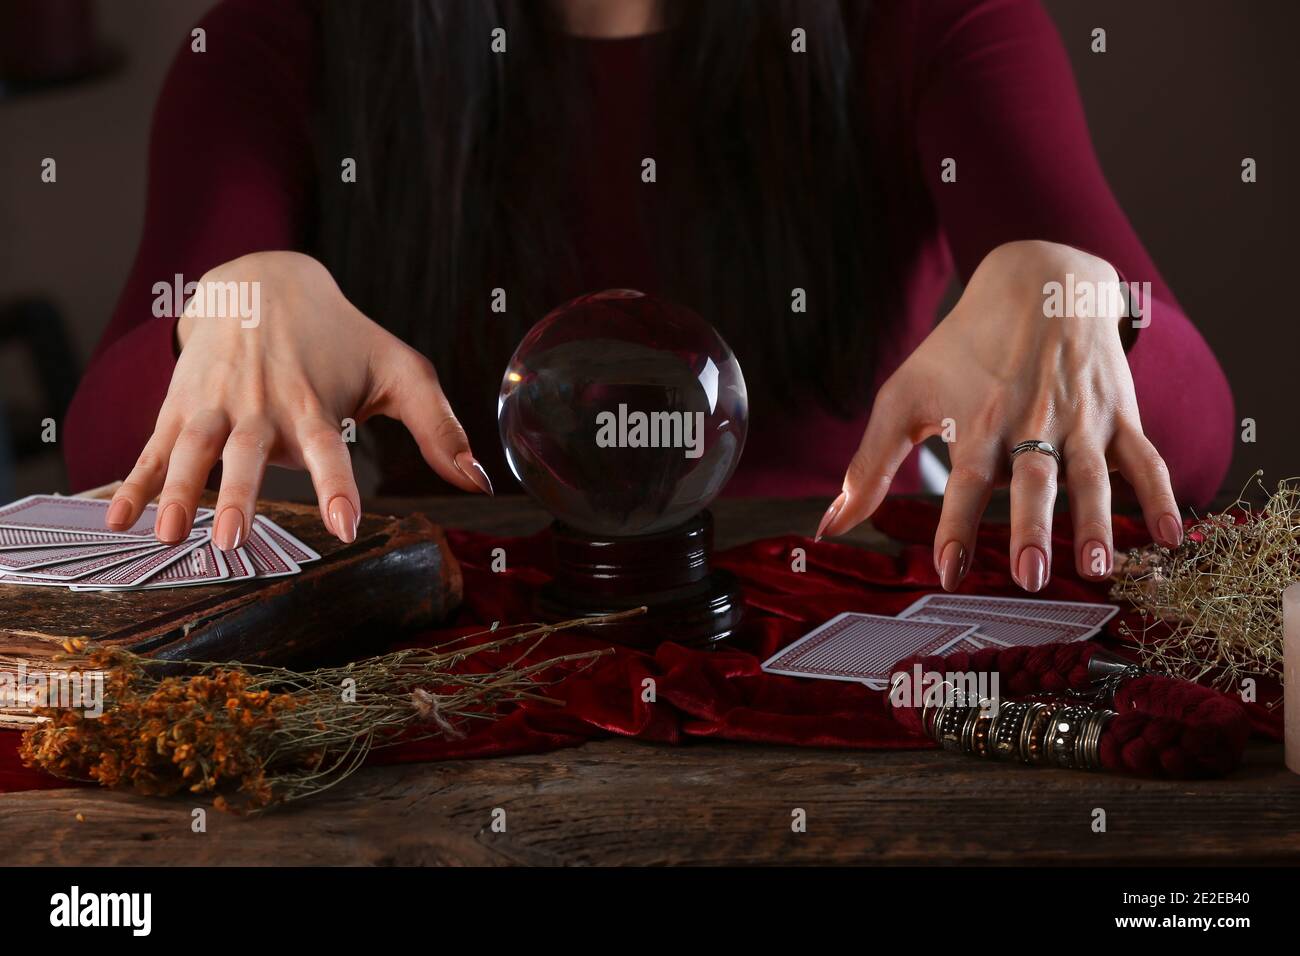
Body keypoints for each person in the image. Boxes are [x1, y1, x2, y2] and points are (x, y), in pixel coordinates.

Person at [64, 0, 1234, 594]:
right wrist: (224, 307)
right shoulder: (284, 34)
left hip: (824, 661)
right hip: (449, 676)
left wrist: (1077, 295)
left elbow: (1185, 445)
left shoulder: (929, 18)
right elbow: (100, 459)